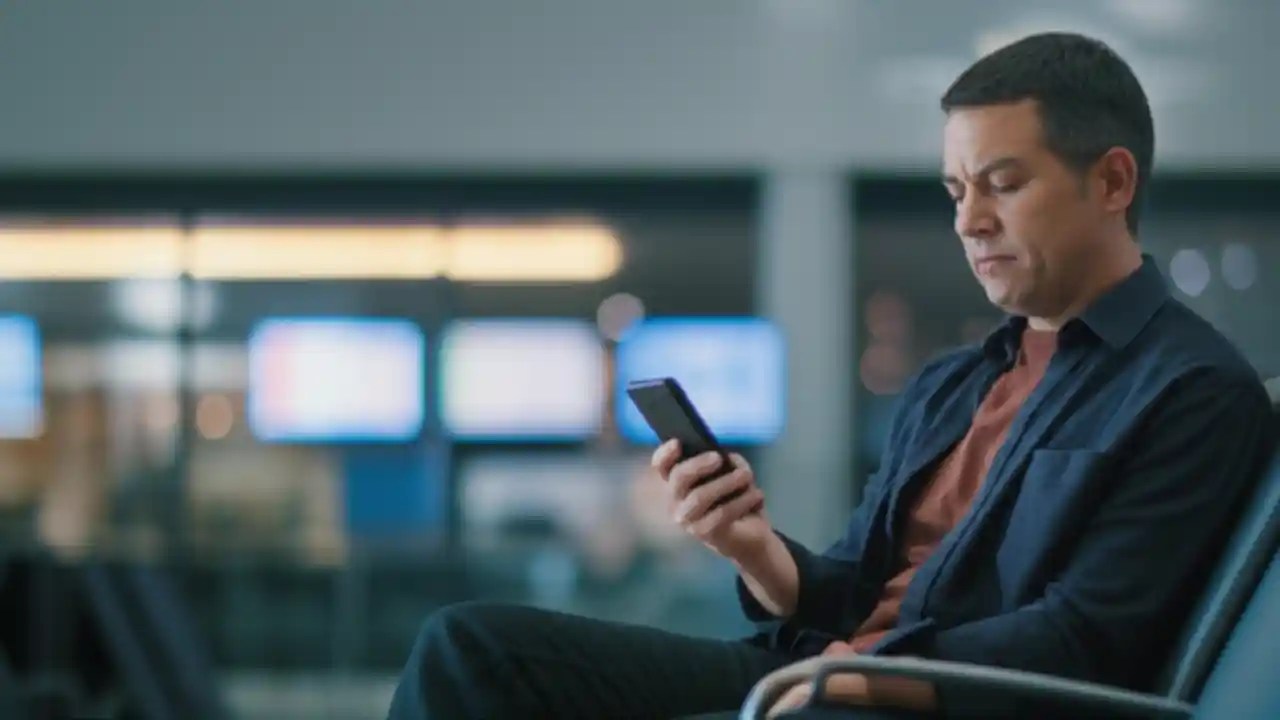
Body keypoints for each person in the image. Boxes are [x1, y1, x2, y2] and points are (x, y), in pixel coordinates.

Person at [386, 32, 1274, 720]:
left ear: (1112, 181)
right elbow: (852, 585)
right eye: (956, 190)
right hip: (827, 680)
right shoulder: (953, 384)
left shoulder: (1194, 391)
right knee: (468, 648)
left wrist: (854, 680)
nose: (970, 221)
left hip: (920, 705)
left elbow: (1086, 640)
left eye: (1003, 184)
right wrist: (753, 549)